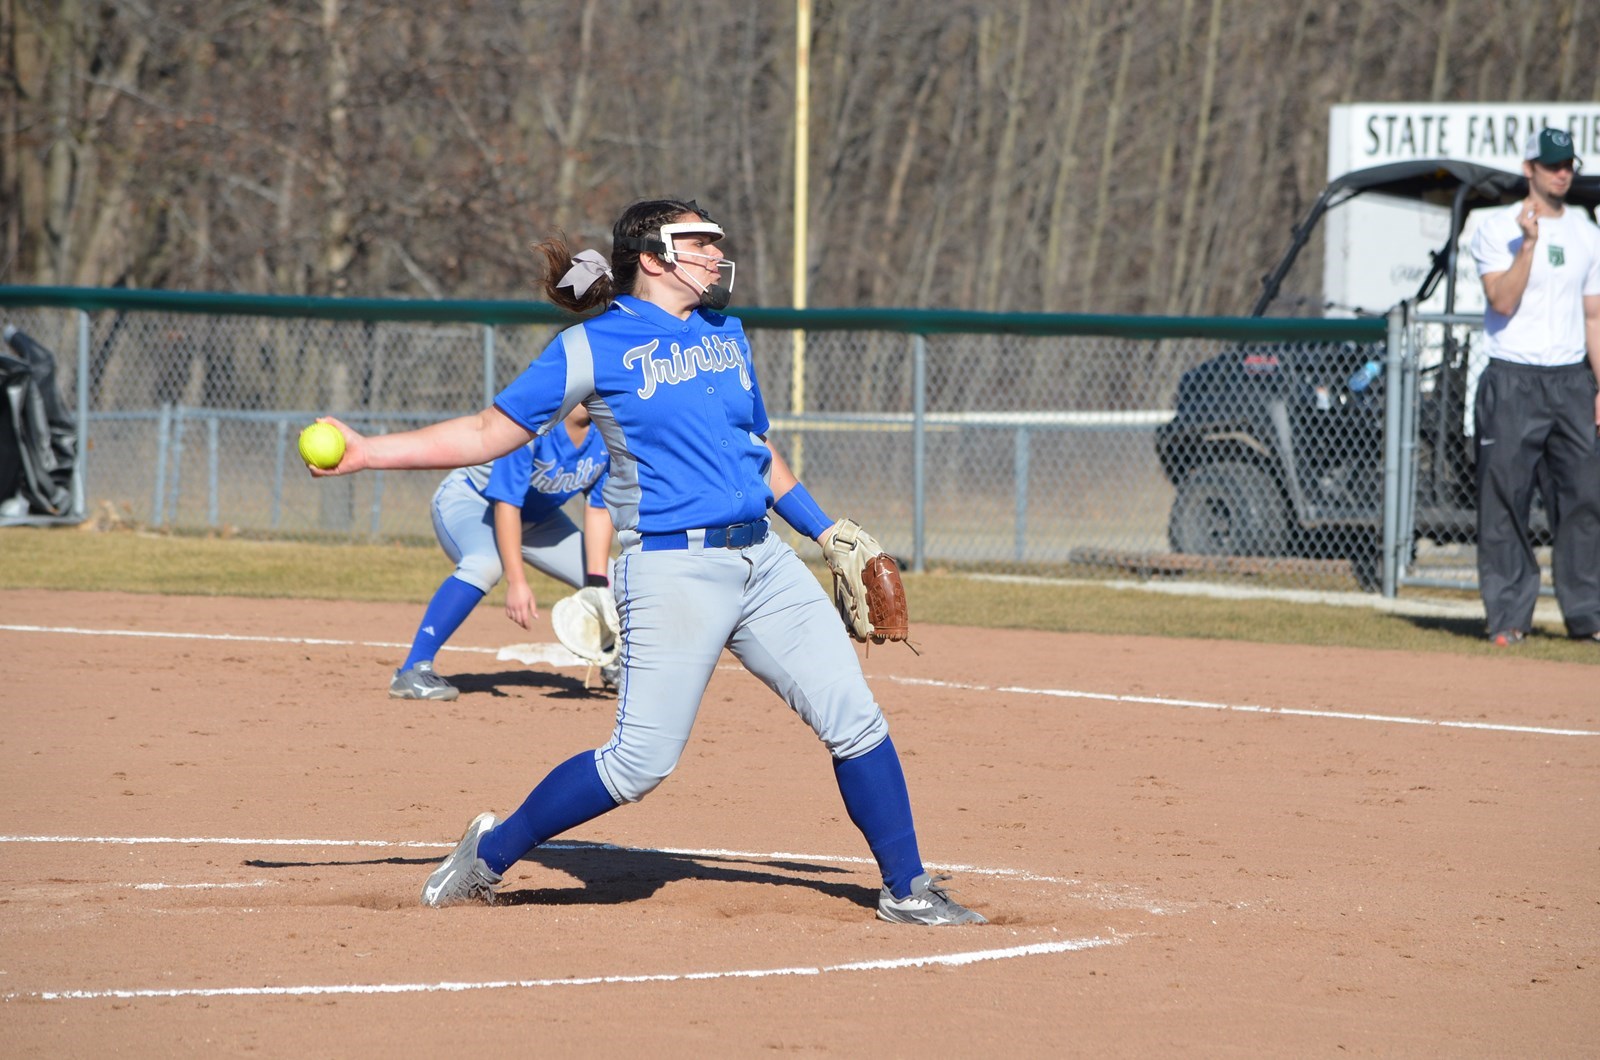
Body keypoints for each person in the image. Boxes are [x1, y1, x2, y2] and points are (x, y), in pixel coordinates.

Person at [311, 198, 984, 926]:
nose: (716, 253)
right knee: (638, 763)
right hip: (671, 571)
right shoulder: (589, 346)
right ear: (654, 256)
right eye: (699, 242)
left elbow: (758, 453)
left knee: (855, 718)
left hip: (764, 558)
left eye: (715, 241)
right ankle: (489, 854)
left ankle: (907, 888)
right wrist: (368, 453)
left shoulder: (726, 333)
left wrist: (826, 535)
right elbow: (484, 432)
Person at [1468, 127, 1600, 646]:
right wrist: (1528, 244)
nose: (1562, 173)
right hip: (1513, 378)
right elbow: (1502, 300)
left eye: (1568, 164)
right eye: (1551, 165)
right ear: (1529, 169)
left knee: (1585, 498)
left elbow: (1594, 315)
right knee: (1505, 498)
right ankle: (1508, 616)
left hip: (1570, 381)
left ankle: (1588, 615)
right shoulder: (1497, 228)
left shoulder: (1587, 232)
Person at [389, 404, 616, 701]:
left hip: (537, 519)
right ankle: (412, 669)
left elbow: (598, 509)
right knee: (485, 565)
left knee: (616, 581)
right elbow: (507, 503)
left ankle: (616, 660)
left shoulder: (608, 434)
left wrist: (597, 585)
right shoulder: (533, 423)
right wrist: (517, 582)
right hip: (474, 501)